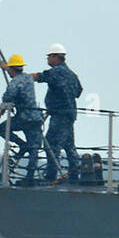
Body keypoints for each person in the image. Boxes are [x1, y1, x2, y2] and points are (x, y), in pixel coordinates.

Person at [32, 43, 83, 182]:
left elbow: (41, 77)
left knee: (51, 144)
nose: (47, 59)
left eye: (49, 56)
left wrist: (22, 76)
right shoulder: (72, 75)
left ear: (56, 57)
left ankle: (51, 175)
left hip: (59, 115)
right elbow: (78, 91)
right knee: (69, 146)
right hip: (69, 114)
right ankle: (74, 175)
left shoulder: (56, 72)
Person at [0, 54, 43, 184]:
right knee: (34, 148)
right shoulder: (28, 78)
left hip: (24, 118)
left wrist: (5, 105)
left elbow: (8, 97)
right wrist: (6, 67)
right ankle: (30, 176)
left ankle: (22, 145)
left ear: (12, 70)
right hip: (36, 118)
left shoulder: (15, 82)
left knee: (0, 129)